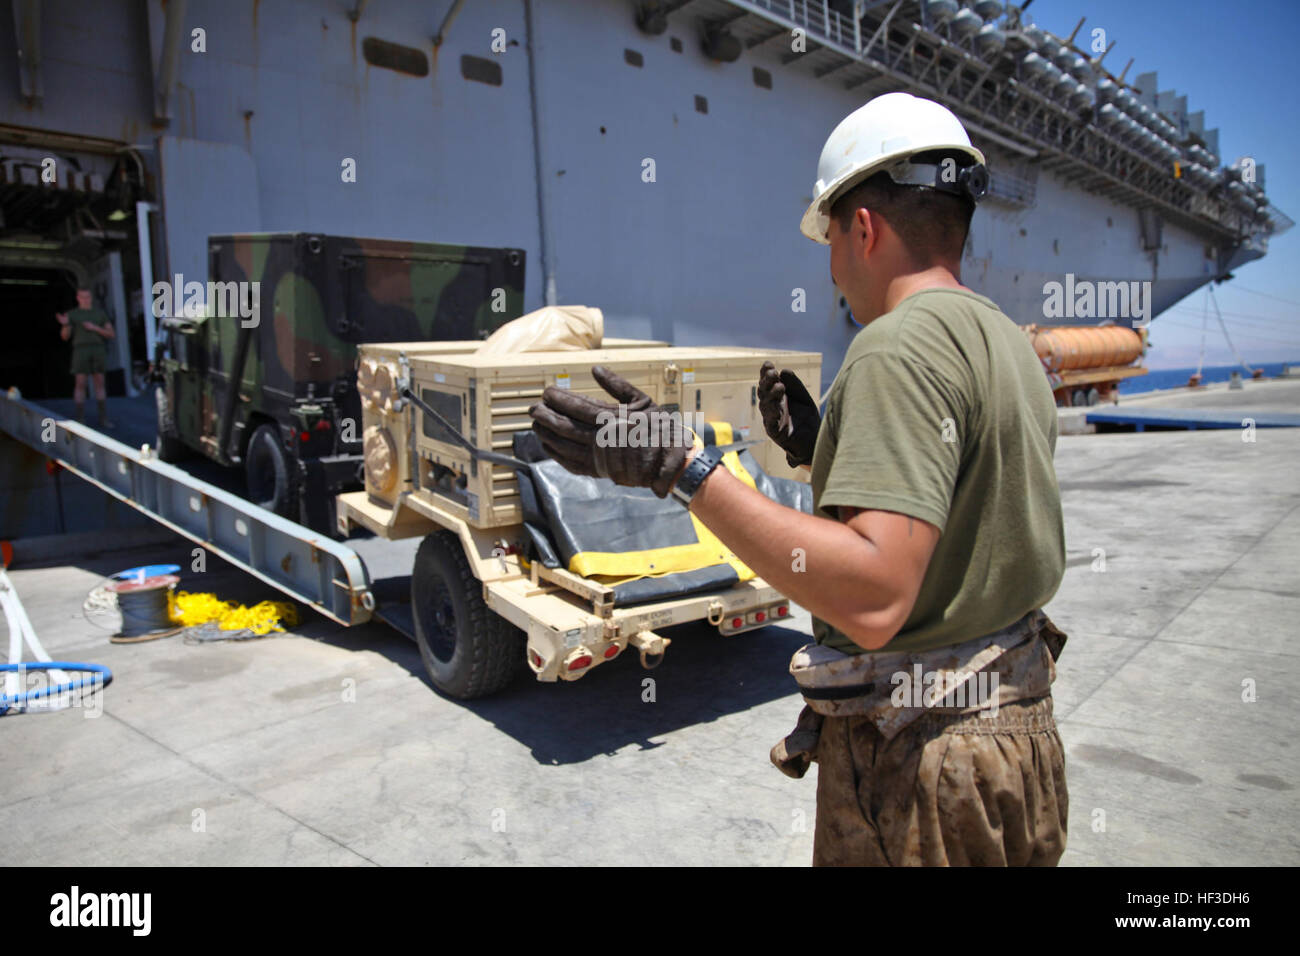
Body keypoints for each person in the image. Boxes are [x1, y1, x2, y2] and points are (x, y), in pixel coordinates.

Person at [529, 91, 1068, 866]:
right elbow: (970, 513)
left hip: (926, 765)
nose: (832, 269)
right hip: (1011, 743)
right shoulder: (1006, 342)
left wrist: (680, 467)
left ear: (863, 227)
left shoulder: (896, 349)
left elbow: (878, 593)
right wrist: (829, 456)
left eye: (830, 242)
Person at [57, 286, 115, 427]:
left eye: (87, 297)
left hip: (97, 349)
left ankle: (103, 418)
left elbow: (111, 334)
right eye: (82, 297)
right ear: (78, 298)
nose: (85, 300)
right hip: (80, 350)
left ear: (91, 297)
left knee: (99, 383)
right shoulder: (72, 314)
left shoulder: (99, 314)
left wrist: (94, 328)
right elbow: (65, 337)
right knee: (80, 383)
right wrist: (65, 325)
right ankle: (80, 418)